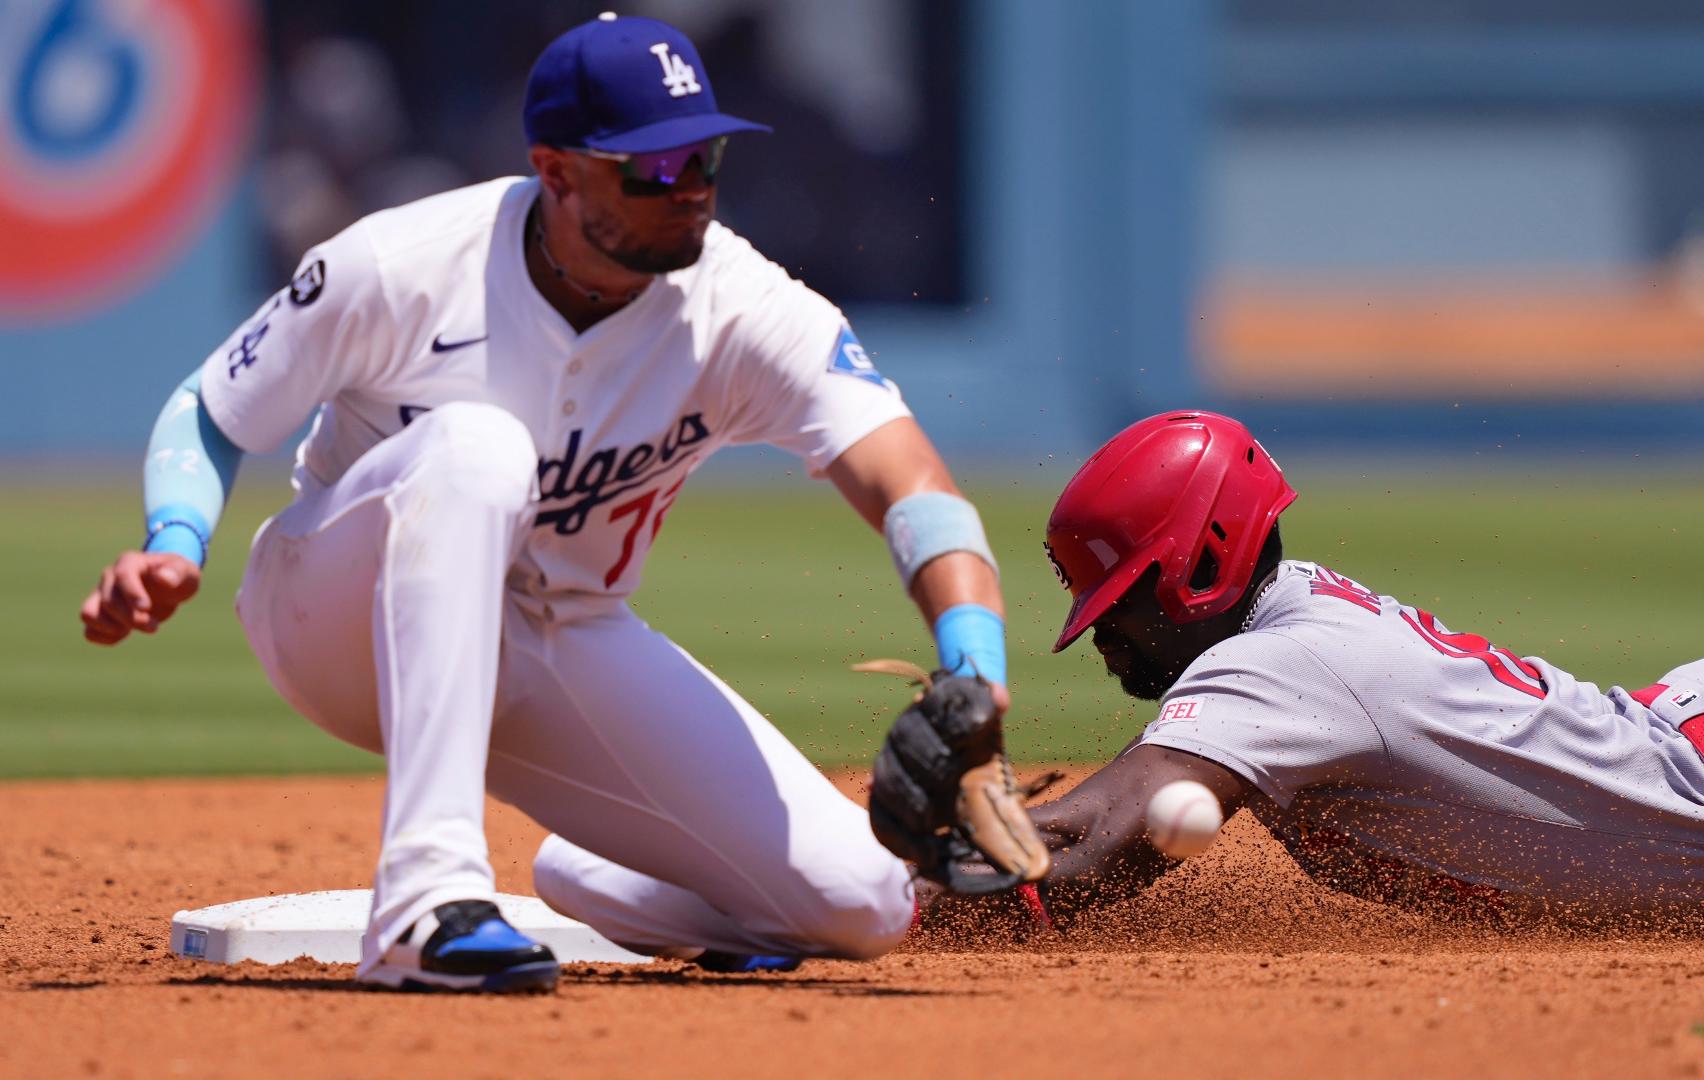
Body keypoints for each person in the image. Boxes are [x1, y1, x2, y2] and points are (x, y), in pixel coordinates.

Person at [77, 14, 1010, 992]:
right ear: (556, 172)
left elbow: (911, 482)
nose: (690, 188)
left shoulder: (744, 307)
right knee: (478, 448)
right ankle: (426, 903)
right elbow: (214, 405)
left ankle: (600, 877)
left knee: (863, 902)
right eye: (654, 167)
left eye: (705, 157)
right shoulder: (401, 264)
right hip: (337, 617)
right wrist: (175, 537)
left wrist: (975, 663)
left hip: (562, 632)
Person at [920, 410, 1704, 931]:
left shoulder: (1283, 664)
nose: (1103, 635)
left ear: (1206, 561)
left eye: (1122, 601)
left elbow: (1099, 842)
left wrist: (890, 890)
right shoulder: (1285, 635)